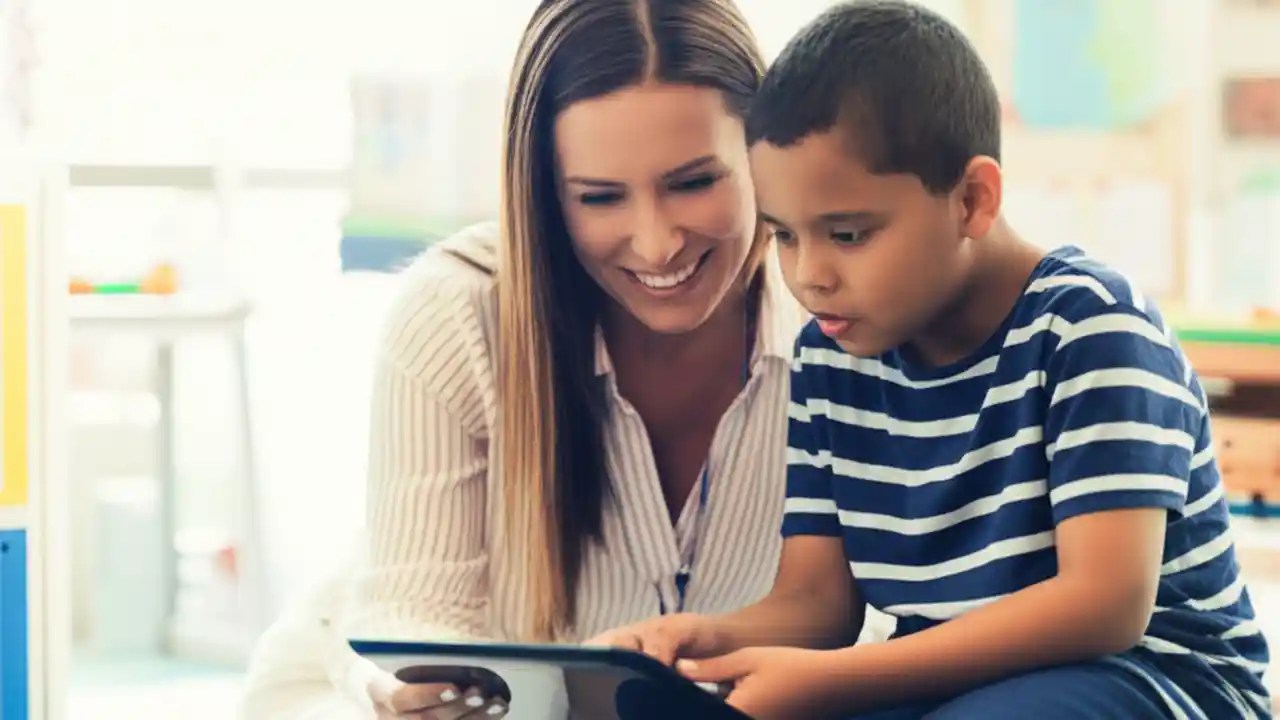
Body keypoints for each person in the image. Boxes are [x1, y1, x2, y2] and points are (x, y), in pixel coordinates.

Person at [591, 2, 1272, 719]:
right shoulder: (830, 355)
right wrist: (704, 638)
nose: (809, 274)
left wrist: (837, 682)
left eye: (847, 234)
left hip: (1155, 680)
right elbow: (817, 603)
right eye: (785, 236)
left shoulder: (1091, 329)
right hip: (951, 684)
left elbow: (1105, 607)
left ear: (973, 200)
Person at [237, 0, 823, 717]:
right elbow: (414, 629)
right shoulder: (459, 315)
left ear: (763, 156)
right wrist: (415, 690)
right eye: (600, 197)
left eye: (694, 182)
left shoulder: (836, 331)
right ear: (546, 196)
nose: (656, 243)